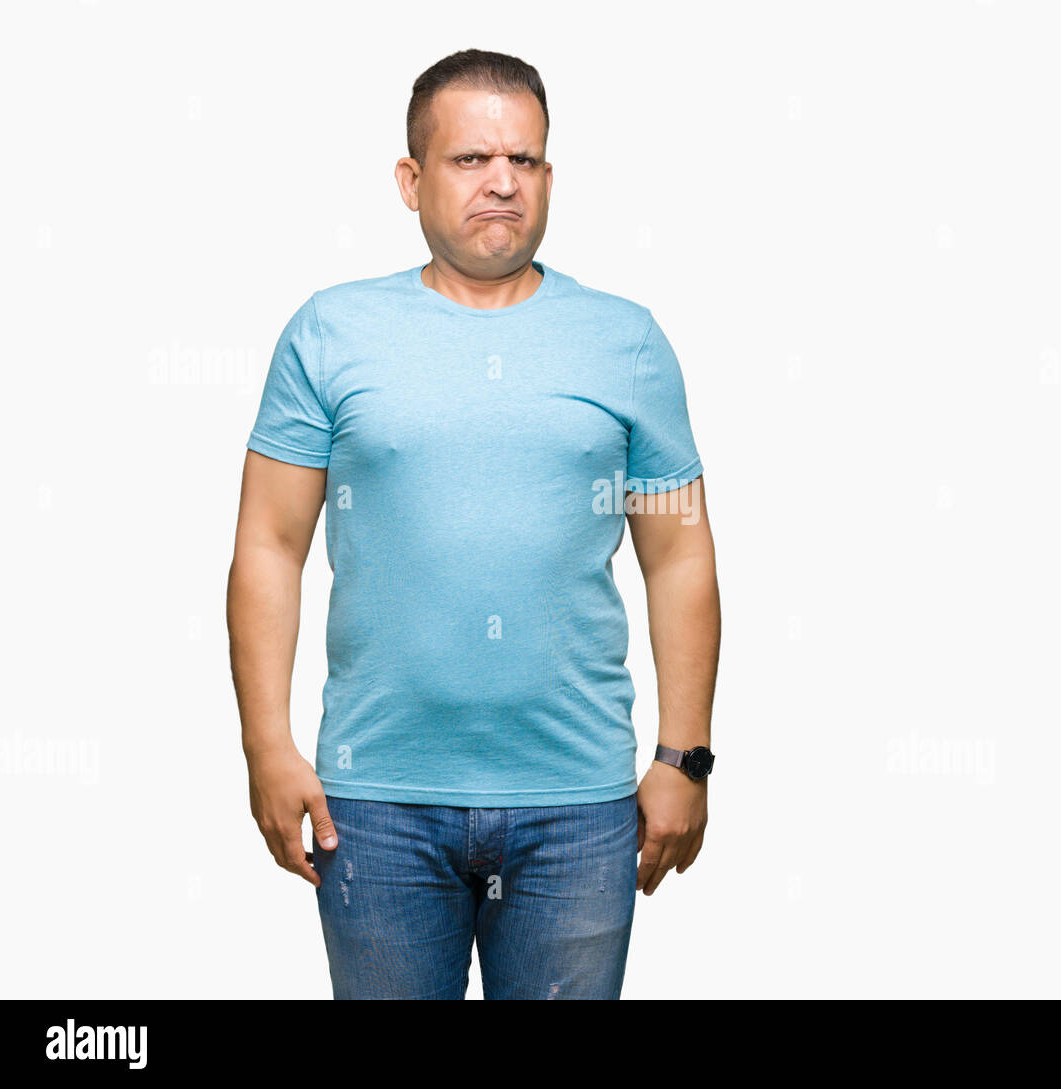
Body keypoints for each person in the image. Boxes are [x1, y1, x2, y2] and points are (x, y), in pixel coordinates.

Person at [226, 49, 720, 1000]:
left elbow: (680, 551)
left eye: (525, 160)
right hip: (372, 802)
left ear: (548, 176)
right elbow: (269, 545)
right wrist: (266, 746)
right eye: (470, 159)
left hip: (579, 802)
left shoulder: (628, 342)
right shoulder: (330, 332)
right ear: (410, 180)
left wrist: (684, 754)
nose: (503, 180)